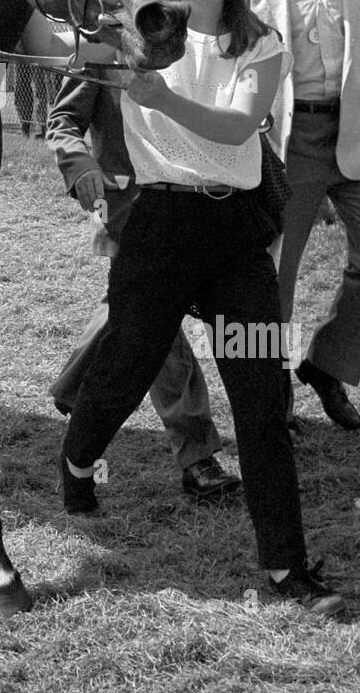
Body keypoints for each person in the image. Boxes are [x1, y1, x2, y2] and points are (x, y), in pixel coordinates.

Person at [58, 0, 345, 617]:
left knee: (260, 399)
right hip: (157, 229)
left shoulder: (262, 42)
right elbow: (65, 82)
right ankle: (77, 454)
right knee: (125, 368)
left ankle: (286, 570)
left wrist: (161, 98)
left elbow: (240, 125)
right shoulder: (123, 37)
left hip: (234, 232)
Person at [47, 72, 243, 501]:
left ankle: (76, 388)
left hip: (200, 203)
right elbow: (63, 119)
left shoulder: (196, 34)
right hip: (131, 204)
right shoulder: (101, 41)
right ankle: (196, 456)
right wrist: (79, 164)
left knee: (130, 310)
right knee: (160, 327)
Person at [249, 0, 360, 431]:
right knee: (276, 273)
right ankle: (270, 394)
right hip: (287, 139)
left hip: (357, 132)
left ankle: (327, 365)